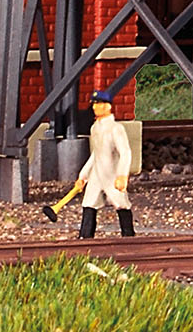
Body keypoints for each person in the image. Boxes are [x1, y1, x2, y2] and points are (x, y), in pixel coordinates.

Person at [44, 91, 135, 238]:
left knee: (121, 203)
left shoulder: (116, 129)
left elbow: (125, 152)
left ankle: (128, 237)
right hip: (97, 175)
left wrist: (122, 175)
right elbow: (95, 154)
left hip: (112, 174)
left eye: (98, 104)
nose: (95, 107)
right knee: (89, 203)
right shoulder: (95, 128)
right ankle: (85, 237)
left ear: (108, 106)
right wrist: (83, 175)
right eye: (94, 104)